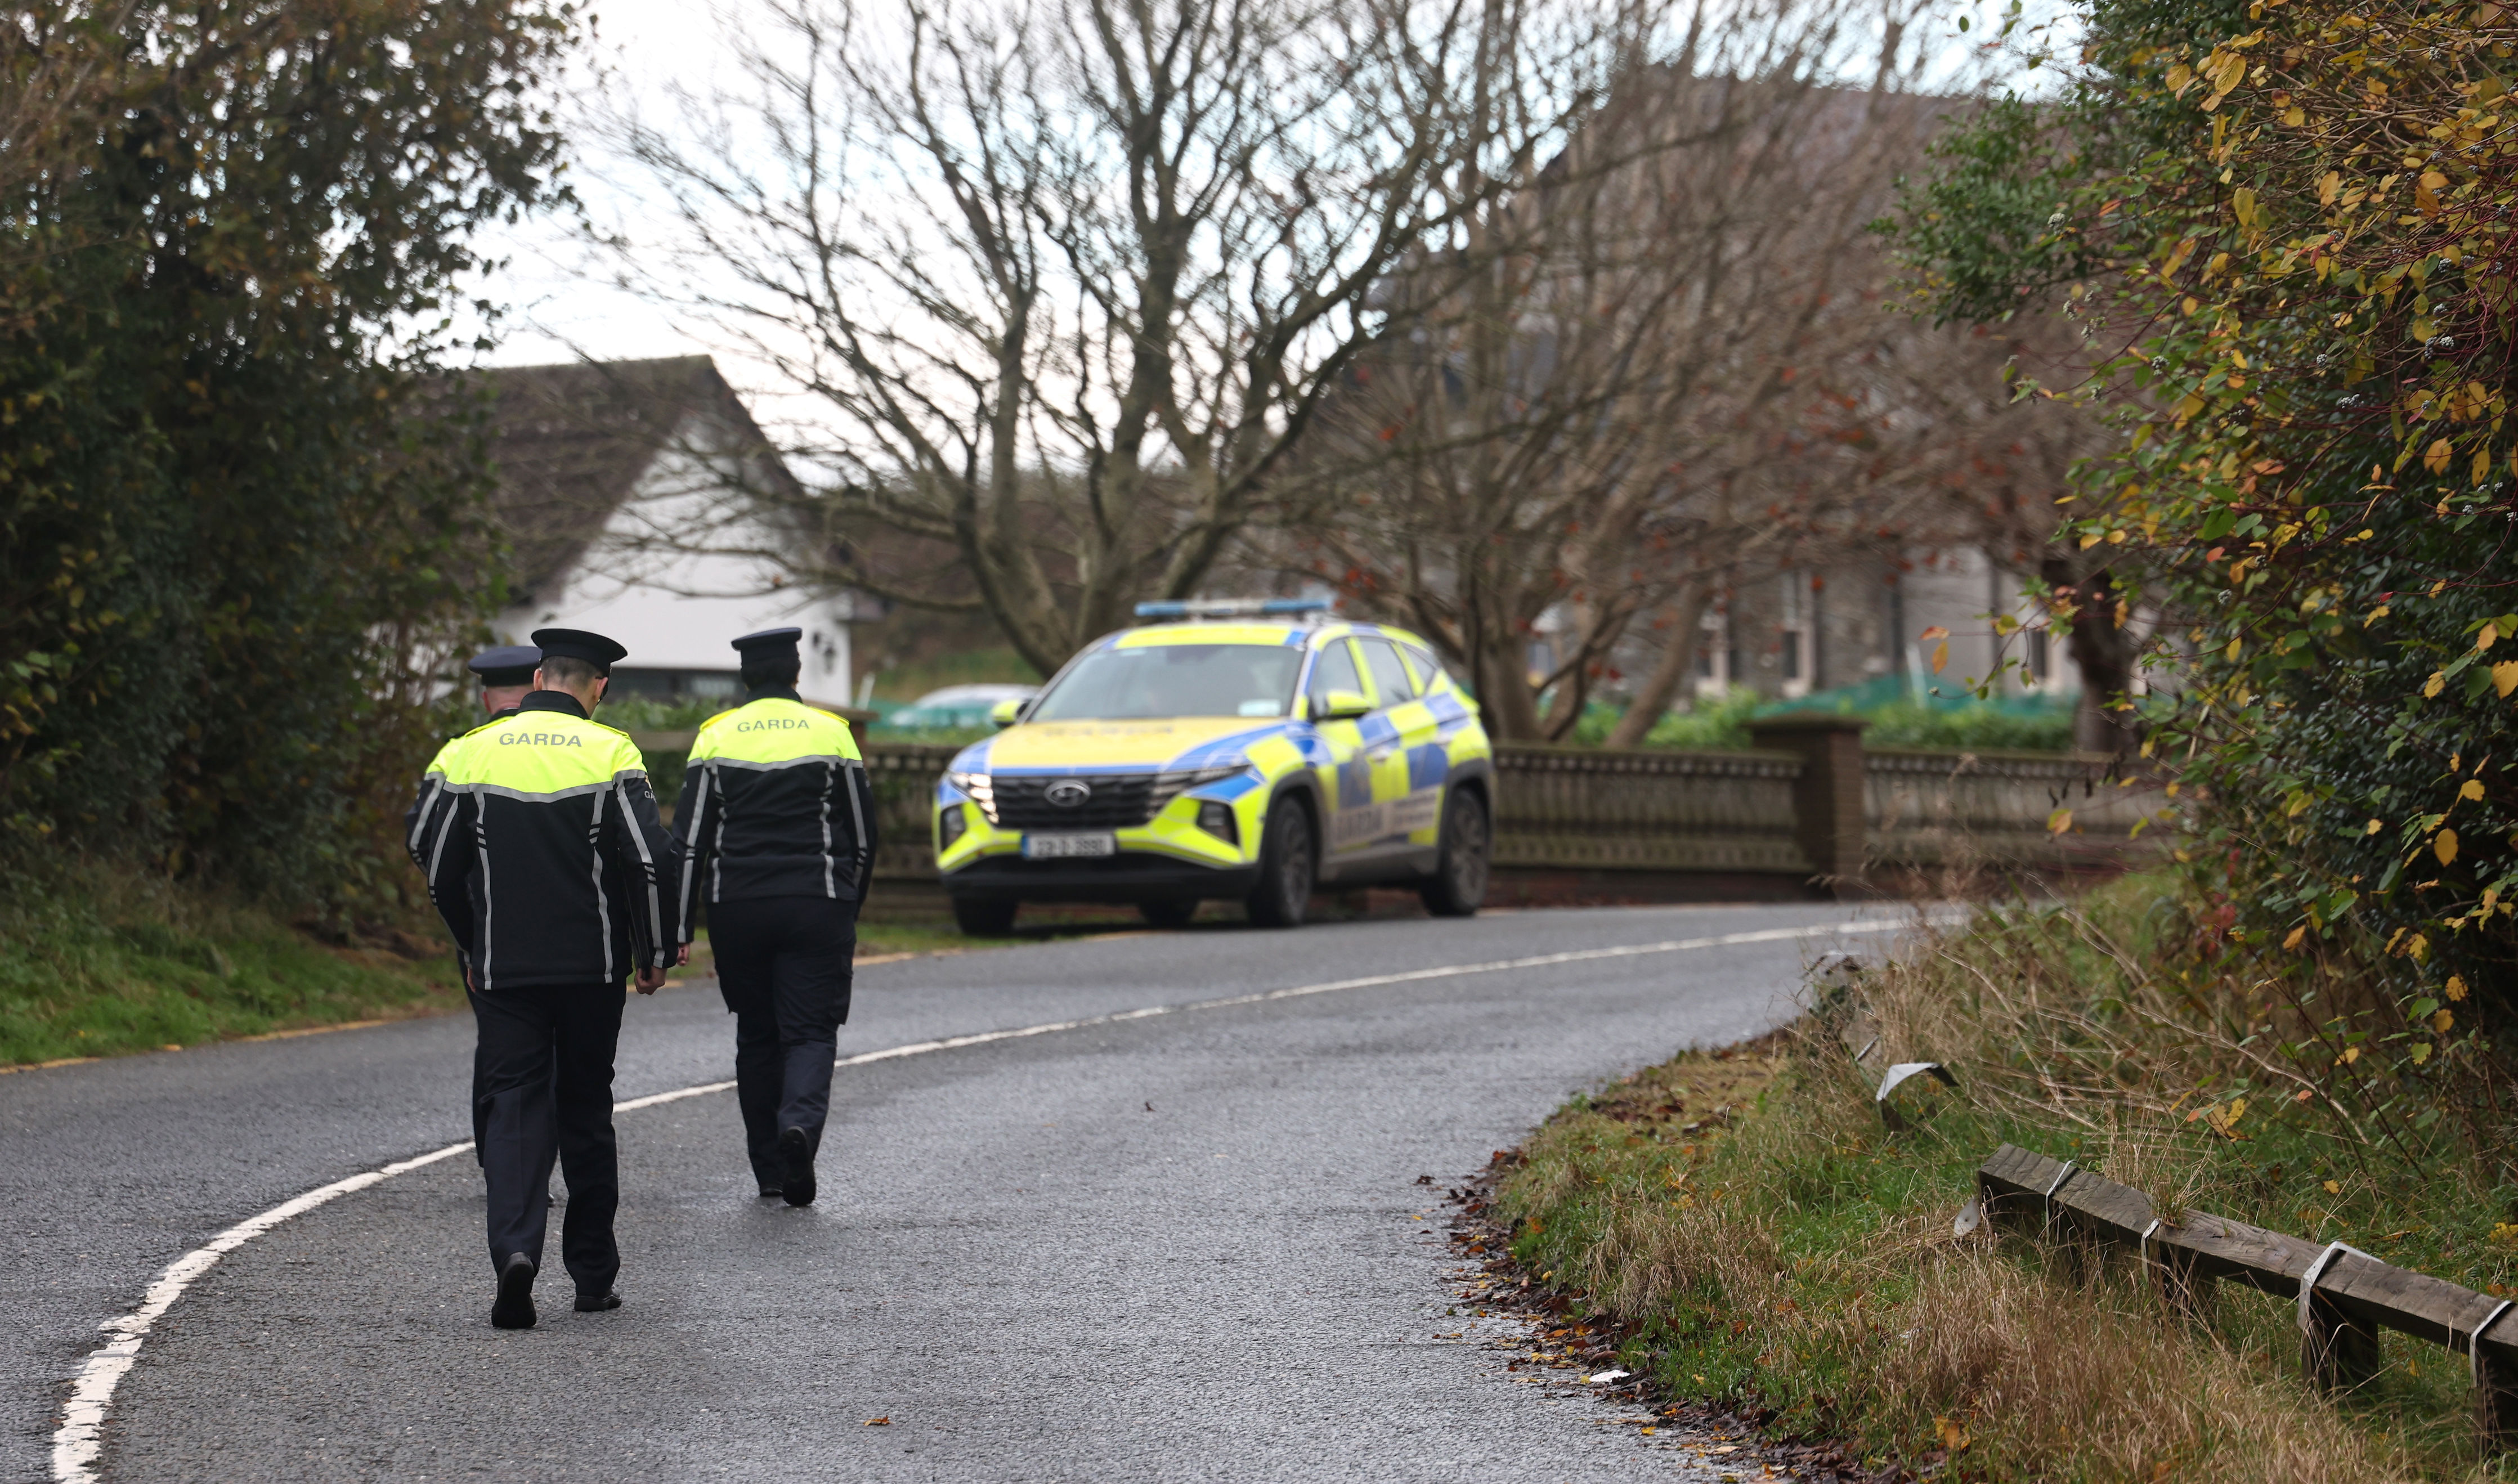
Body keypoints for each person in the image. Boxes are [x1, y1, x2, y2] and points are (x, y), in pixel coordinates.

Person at [405, 627, 681, 1329]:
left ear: (536, 678)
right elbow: (650, 858)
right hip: (591, 969)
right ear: (599, 688)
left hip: (502, 968)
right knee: (586, 1107)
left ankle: (515, 1253)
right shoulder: (610, 749)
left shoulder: (471, 750)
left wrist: (472, 940)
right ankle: (591, 1277)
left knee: (515, 1103)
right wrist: (656, 948)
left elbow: (431, 855)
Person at [674, 626, 876, 1207]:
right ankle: (800, 1132)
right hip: (816, 901)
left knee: (757, 1034)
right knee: (810, 1031)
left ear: (744, 679)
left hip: (735, 906)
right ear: (796, 675)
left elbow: (689, 842)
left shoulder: (714, 736)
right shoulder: (832, 733)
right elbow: (863, 835)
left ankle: (768, 1167)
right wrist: (848, 901)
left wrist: (680, 927)